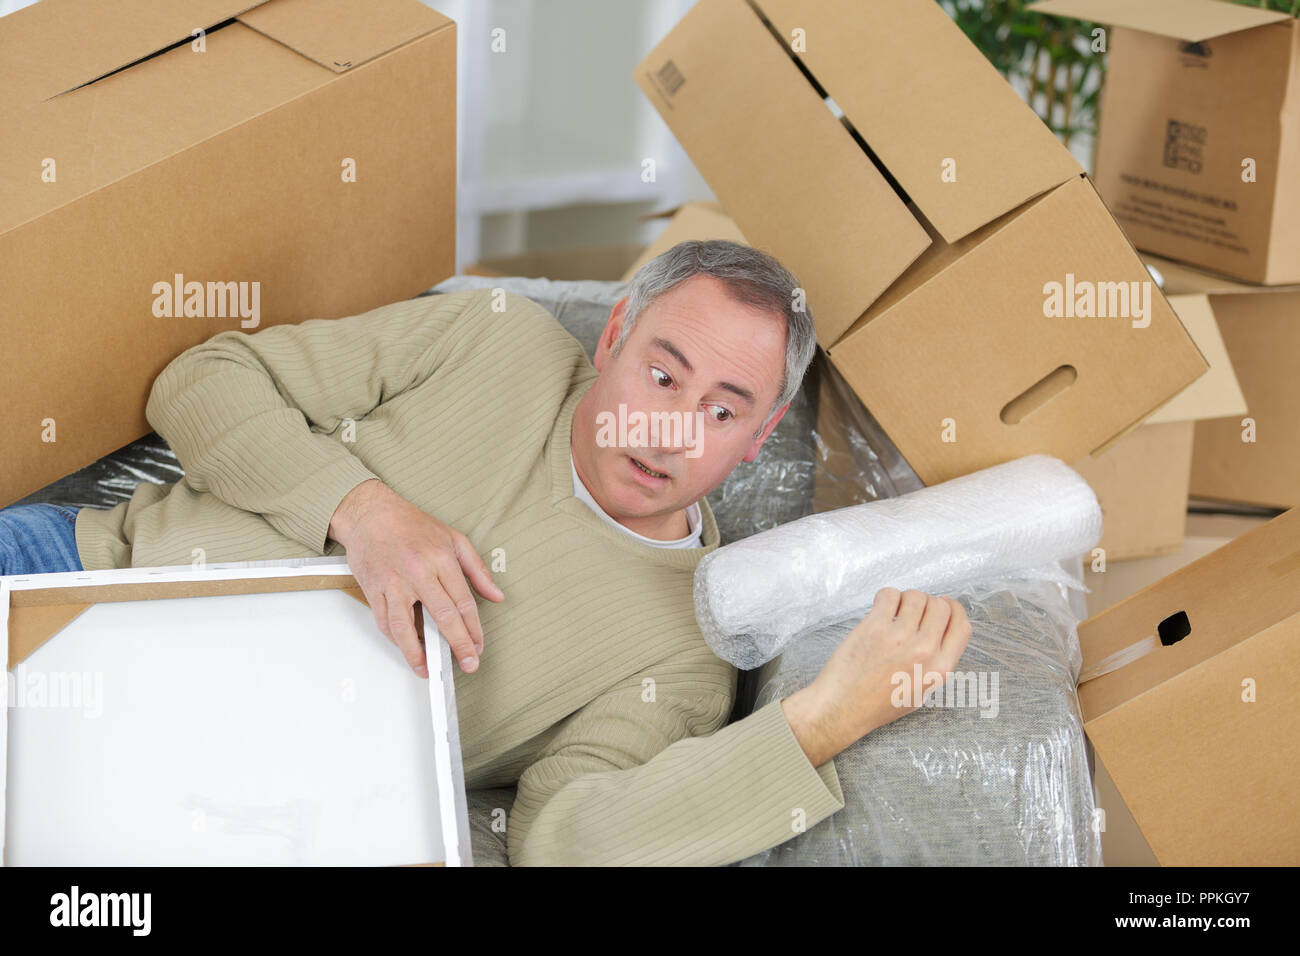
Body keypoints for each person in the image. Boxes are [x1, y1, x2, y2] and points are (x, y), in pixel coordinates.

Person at [0, 240, 971, 865]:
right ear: (617, 336)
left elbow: (565, 837)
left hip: (219, 780)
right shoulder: (491, 338)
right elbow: (206, 377)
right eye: (661, 372)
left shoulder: (684, 642)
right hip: (68, 584)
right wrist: (363, 507)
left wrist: (814, 723)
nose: (669, 429)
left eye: (720, 410)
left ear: (755, 440)